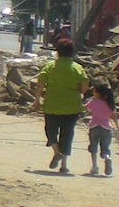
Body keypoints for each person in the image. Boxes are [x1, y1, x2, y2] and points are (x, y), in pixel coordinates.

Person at [33, 37, 89, 175]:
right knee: (67, 134)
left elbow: (40, 84)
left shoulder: (50, 66)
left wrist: (37, 100)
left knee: (51, 130)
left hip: (52, 105)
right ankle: (64, 164)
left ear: (57, 52)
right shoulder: (78, 68)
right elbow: (84, 88)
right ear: (72, 53)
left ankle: (56, 151)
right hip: (72, 107)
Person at [83, 80, 119, 176]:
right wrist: (117, 126)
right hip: (106, 128)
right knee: (105, 148)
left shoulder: (93, 102)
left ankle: (95, 166)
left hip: (94, 127)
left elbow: (86, 108)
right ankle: (107, 158)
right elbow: (114, 116)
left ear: (98, 93)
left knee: (93, 147)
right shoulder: (110, 104)